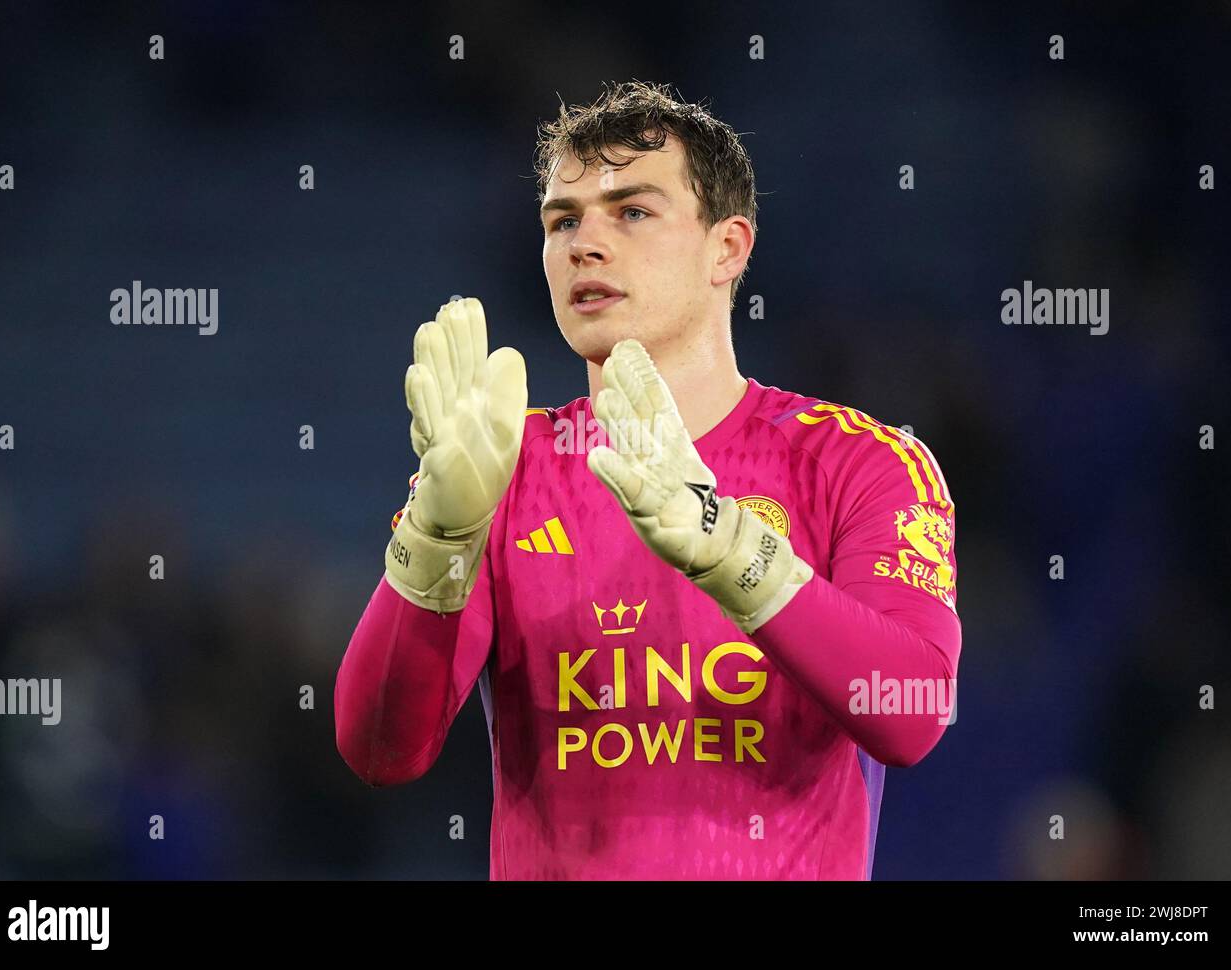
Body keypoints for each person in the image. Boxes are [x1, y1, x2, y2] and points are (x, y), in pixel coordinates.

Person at [335, 80, 960, 880]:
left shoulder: (861, 462)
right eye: (563, 220)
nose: (584, 245)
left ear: (727, 248)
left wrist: (730, 551)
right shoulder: (498, 470)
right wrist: (438, 535)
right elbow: (381, 748)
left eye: (632, 211)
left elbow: (909, 714)